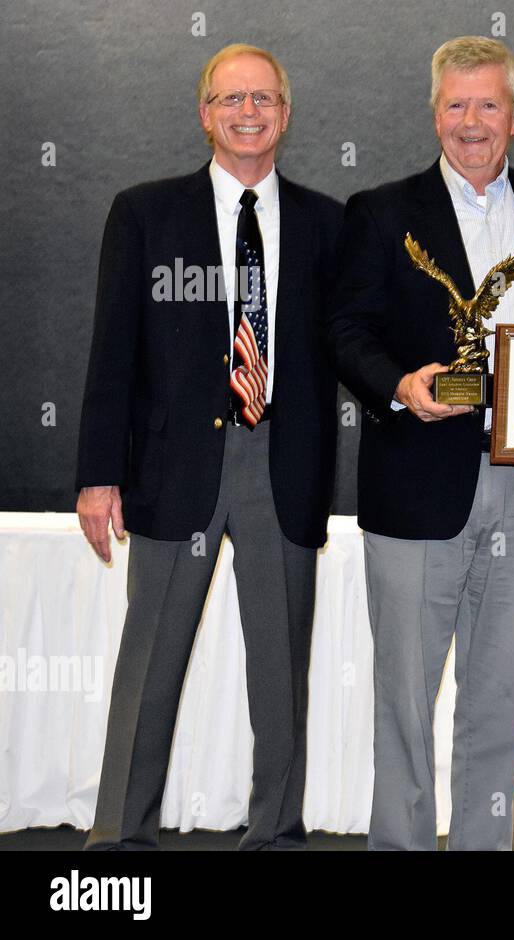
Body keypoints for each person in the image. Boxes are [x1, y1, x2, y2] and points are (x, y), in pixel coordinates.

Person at [75, 43, 343, 849]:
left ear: (285, 116)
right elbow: (111, 351)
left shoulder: (330, 224)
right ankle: (119, 839)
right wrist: (97, 477)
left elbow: (355, 342)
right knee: (149, 670)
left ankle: (276, 834)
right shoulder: (145, 213)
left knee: (280, 675)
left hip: (285, 471)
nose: (249, 112)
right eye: (232, 99)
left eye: (264, 98)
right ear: (205, 114)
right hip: (173, 472)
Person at [327, 36, 514, 851]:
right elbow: (344, 330)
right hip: (415, 485)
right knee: (404, 696)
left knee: (500, 692)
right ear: (435, 113)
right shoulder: (380, 211)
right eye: (455, 105)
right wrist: (401, 385)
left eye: (488, 105)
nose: (471, 122)